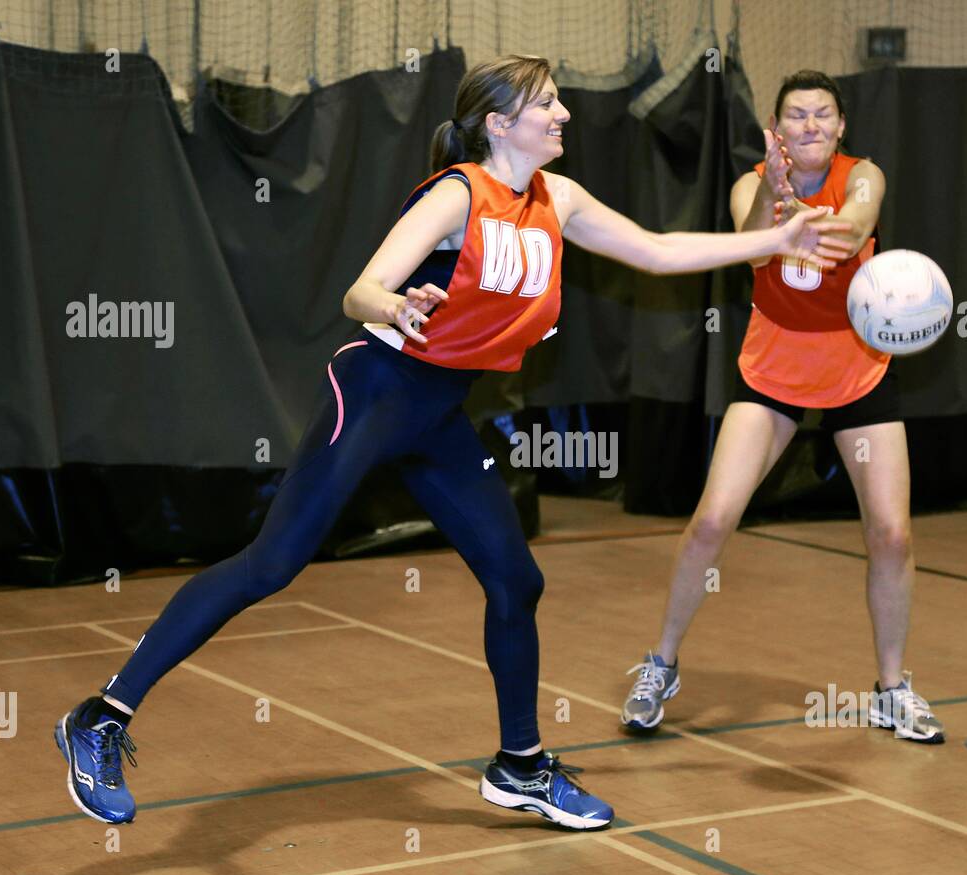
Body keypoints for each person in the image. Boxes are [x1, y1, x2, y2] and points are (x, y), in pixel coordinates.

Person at [54, 55, 854, 833]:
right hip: (374, 389)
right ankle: (100, 715)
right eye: (547, 105)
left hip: (438, 413)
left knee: (516, 578)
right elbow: (359, 290)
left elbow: (656, 248)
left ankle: (520, 764)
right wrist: (394, 304)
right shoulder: (457, 195)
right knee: (272, 564)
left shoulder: (559, 196)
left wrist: (772, 245)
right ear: (501, 124)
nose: (564, 114)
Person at [620, 69, 945, 744]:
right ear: (777, 128)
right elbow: (748, 235)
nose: (811, 127)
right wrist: (774, 196)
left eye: (823, 115)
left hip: (858, 369)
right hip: (774, 371)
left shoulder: (864, 176)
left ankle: (891, 688)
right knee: (712, 520)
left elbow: (853, 230)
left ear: (841, 124)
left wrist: (807, 219)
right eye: (796, 116)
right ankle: (661, 663)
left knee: (892, 533)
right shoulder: (752, 184)